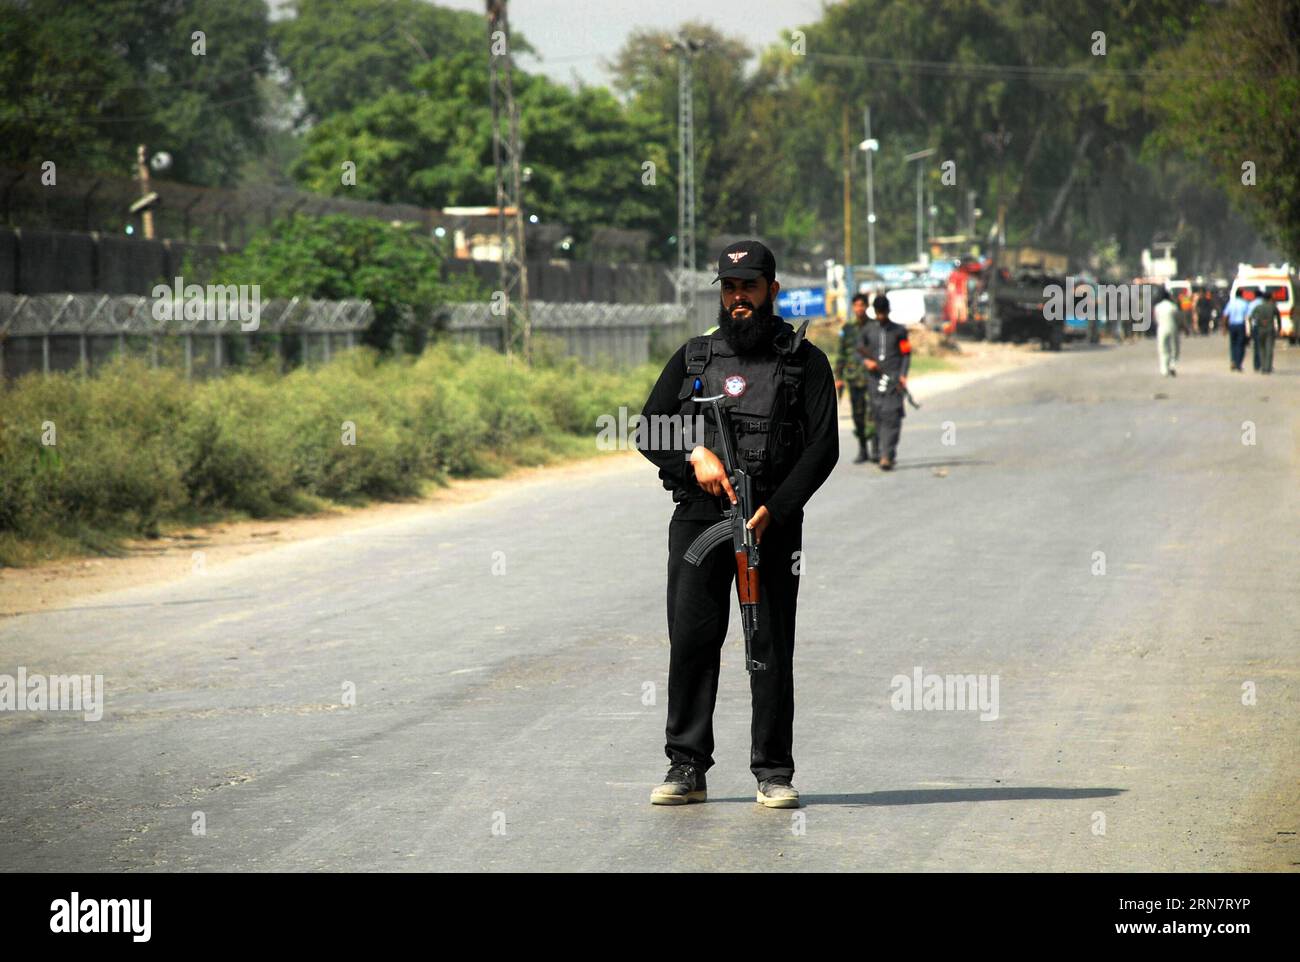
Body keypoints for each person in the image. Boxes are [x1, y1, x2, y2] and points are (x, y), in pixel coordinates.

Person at [636, 240, 839, 809]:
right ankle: (686, 765)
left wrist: (777, 510)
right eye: (729, 288)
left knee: (769, 643)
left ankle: (773, 771)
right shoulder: (695, 358)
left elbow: (823, 448)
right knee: (693, 641)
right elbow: (649, 429)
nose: (738, 298)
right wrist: (692, 458)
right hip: (701, 519)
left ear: (772, 290)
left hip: (770, 519)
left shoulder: (805, 362)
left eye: (749, 286)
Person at [856, 293, 912, 470]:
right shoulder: (867, 330)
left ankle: (887, 455)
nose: (881, 316)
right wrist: (866, 362)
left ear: (888, 311)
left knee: (892, 416)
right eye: (878, 312)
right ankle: (882, 452)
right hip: (874, 381)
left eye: (883, 312)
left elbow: (906, 354)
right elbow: (857, 351)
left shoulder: (899, 331)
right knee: (878, 416)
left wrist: (903, 374)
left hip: (894, 380)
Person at [835, 293, 878, 463]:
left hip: (872, 378)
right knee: (858, 416)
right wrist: (838, 377)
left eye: (862, 305)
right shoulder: (847, 329)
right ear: (853, 307)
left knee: (873, 414)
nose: (859, 308)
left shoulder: (875, 327)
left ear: (867, 306)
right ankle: (862, 449)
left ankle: (875, 449)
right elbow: (841, 354)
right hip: (853, 378)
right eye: (856, 305)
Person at [1247, 286, 1280, 374]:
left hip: (1260, 329)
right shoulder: (1273, 307)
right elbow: (1278, 318)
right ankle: (1268, 367)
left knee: (1261, 348)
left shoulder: (1258, 307)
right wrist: (1279, 329)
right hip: (1270, 330)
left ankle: (1263, 366)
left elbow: (1251, 317)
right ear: (1270, 298)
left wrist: (1259, 322)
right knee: (1269, 348)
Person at [1223, 287, 1251, 371]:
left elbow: (1225, 315)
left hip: (1232, 325)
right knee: (1240, 344)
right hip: (1240, 325)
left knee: (1233, 344)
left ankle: (1233, 361)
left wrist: (1224, 327)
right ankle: (1239, 363)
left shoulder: (1231, 303)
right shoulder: (1244, 303)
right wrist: (1249, 329)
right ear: (1242, 295)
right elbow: (1248, 316)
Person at [1153, 286, 1180, 377]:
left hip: (1161, 329)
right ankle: (1172, 365)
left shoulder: (1157, 307)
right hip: (1172, 327)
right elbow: (1177, 319)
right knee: (1174, 348)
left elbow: (1156, 319)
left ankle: (1164, 369)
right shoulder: (1173, 306)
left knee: (1163, 349)